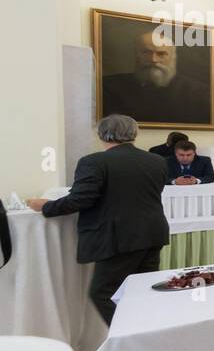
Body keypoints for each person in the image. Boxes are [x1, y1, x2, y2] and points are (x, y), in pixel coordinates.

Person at [25, 114, 169, 326]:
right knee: (142, 291)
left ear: (102, 134)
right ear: (134, 133)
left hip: (118, 238)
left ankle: (127, 336)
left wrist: (45, 206)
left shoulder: (93, 162)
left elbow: (80, 200)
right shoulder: (157, 161)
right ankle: (145, 334)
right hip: (152, 233)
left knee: (102, 293)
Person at [101, 29, 212, 126]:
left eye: (161, 54)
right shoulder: (109, 87)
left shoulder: (198, 93)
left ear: (173, 57)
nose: (153, 60)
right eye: (146, 52)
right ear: (136, 54)